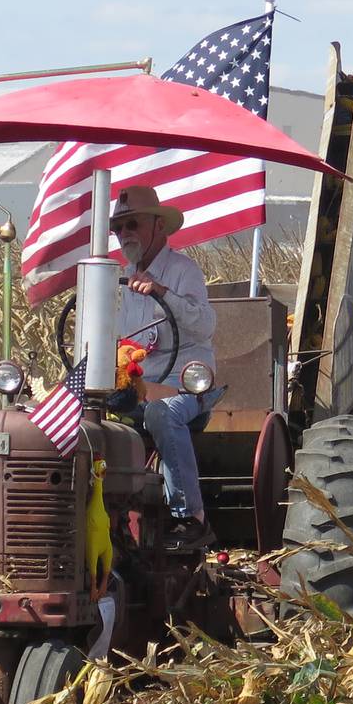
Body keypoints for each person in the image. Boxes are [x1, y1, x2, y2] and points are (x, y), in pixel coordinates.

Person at [108, 185, 219, 549]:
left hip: (181, 384)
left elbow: (205, 326)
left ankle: (191, 517)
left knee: (161, 413)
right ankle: (105, 516)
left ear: (158, 226)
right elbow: (121, 339)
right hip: (137, 384)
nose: (124, 234)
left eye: (132, 224)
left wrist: (161, 292)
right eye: (118, 227)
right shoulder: (120, 280)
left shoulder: (183, 272)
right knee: (84, 417)